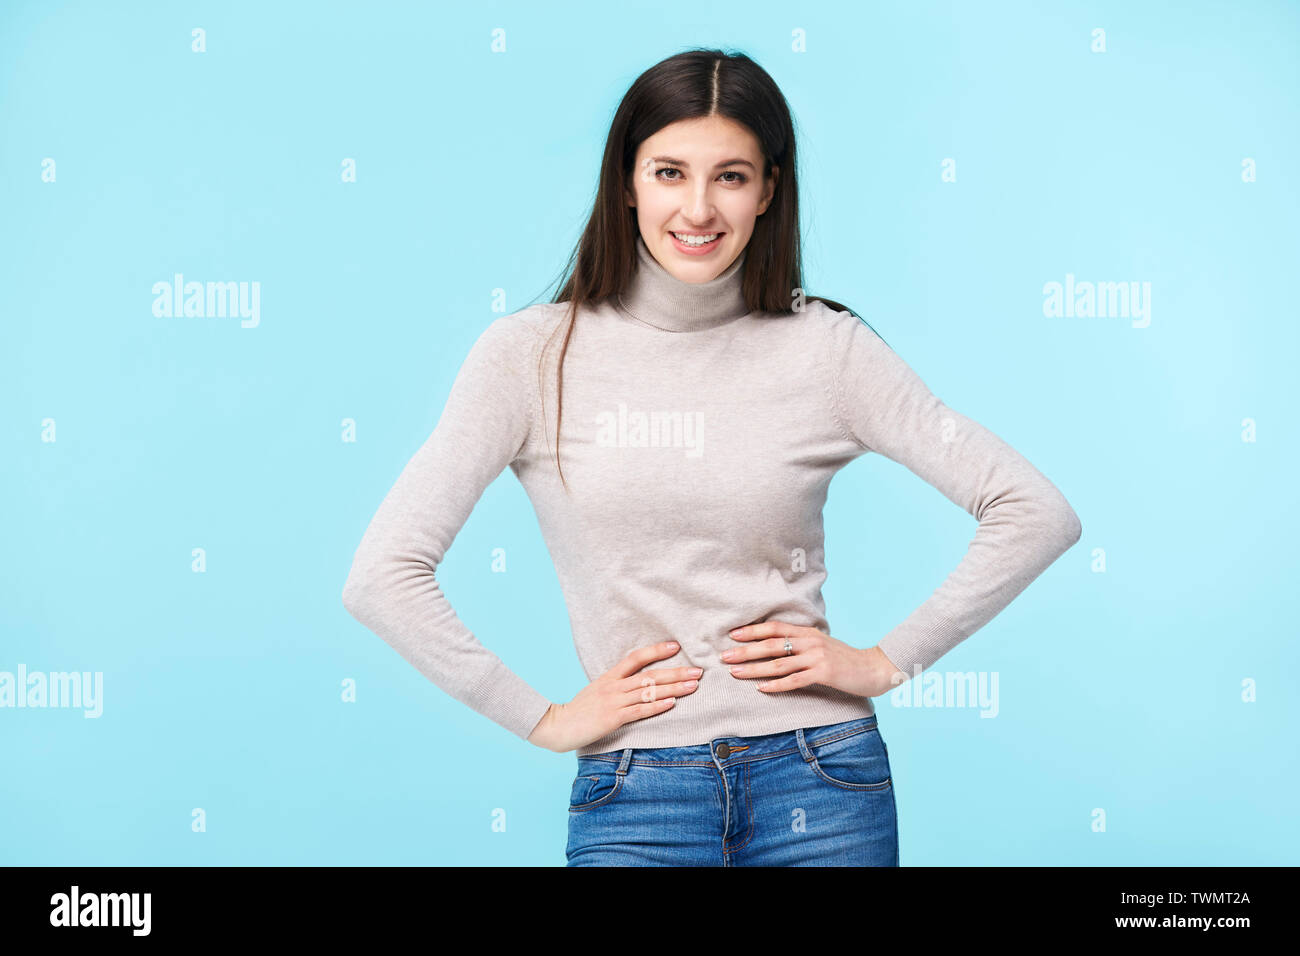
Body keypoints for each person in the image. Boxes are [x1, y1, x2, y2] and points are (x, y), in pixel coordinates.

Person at [341, 48, 1082, 866]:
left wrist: (886, 662)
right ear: (627, 182)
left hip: (822, 782)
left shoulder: (827, 349)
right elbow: (382, 576)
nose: (698, 208)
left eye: (730, 176)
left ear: (768, 190)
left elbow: (1035, 512)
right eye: (669, 172)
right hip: (636, 797)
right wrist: (544, 720)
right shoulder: (530, 356)